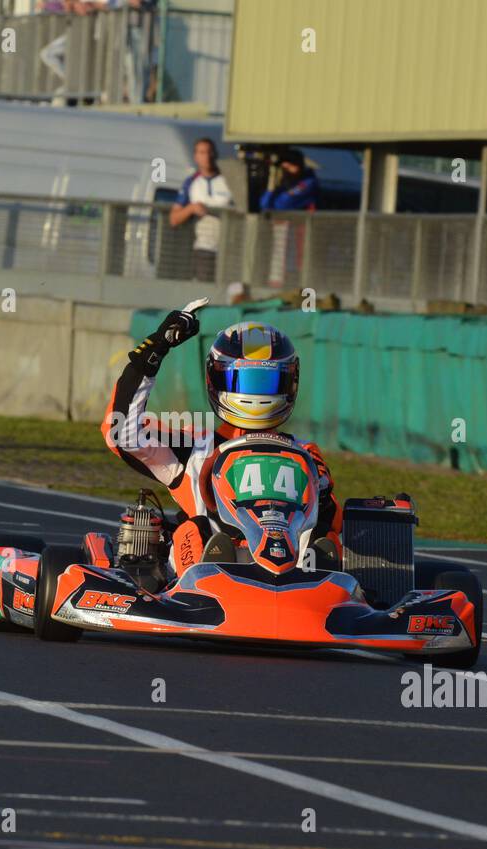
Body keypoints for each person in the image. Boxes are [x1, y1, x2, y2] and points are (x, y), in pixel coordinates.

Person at [102, 298, 342, 576]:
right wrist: (155, 350)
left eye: (267, 382)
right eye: (243, 382)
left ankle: (319, 593)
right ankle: (196, 590)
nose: (256, 395)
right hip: (213, 572)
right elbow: (121, 432)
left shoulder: (303, 452)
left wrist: (321, 498)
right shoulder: (193, 448)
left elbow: (330, 518)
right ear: (216, 380)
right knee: (195, 530)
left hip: (290, 571)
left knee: (324, 538)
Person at [169, 138, 235, 282]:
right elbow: (174, 219)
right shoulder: (191, 183)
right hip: (205, 249)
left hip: (230, 250)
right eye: (202, 152)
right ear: (196, 157)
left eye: (209, 152)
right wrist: (191, 208)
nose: (206, 156)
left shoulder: (229, 181)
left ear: (215, 154)